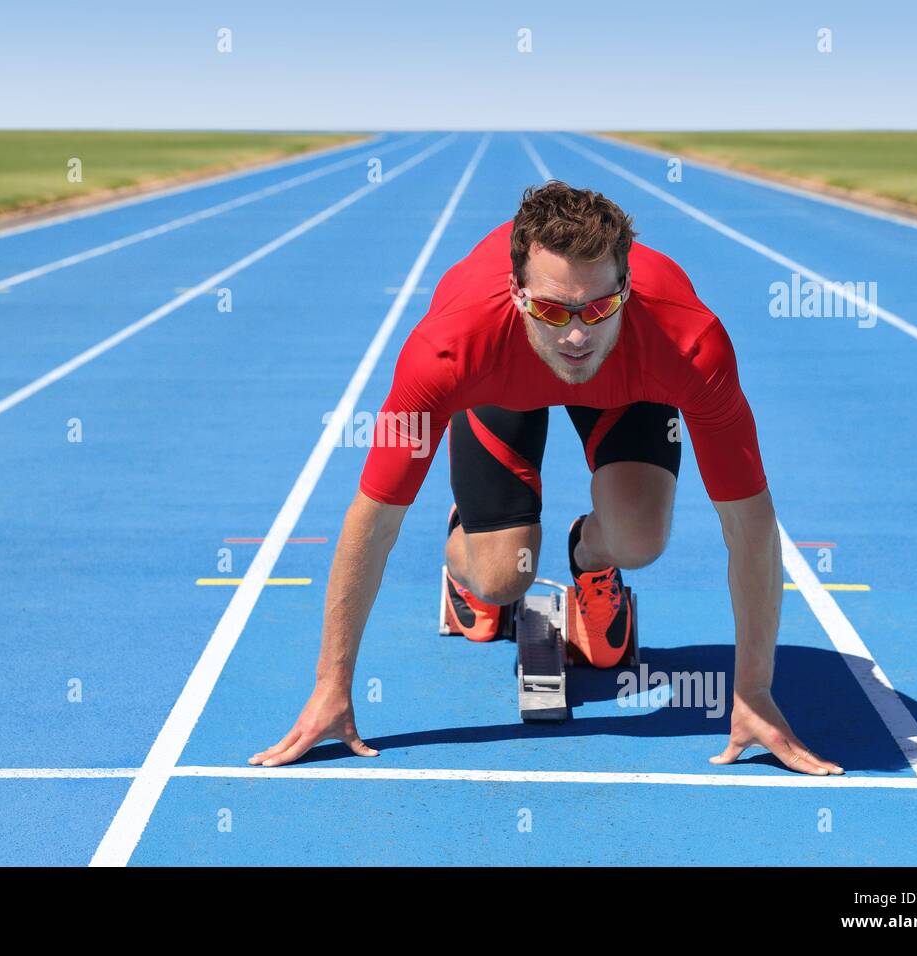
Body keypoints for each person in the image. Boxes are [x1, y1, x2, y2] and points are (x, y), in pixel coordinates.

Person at [251, 181, 843, 776]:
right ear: (516, 292)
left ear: (626, 288)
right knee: (502, 577)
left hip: (628, 381)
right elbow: (373, 519)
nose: (577, 334)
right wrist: (332, 686)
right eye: (554, 310)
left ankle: (590, 559)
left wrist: (754, 692)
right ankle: (472, 541)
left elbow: (751, 525)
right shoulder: (446, 351)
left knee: (640, 541)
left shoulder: (690, 345)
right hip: (500, 379)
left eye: (598, 307)